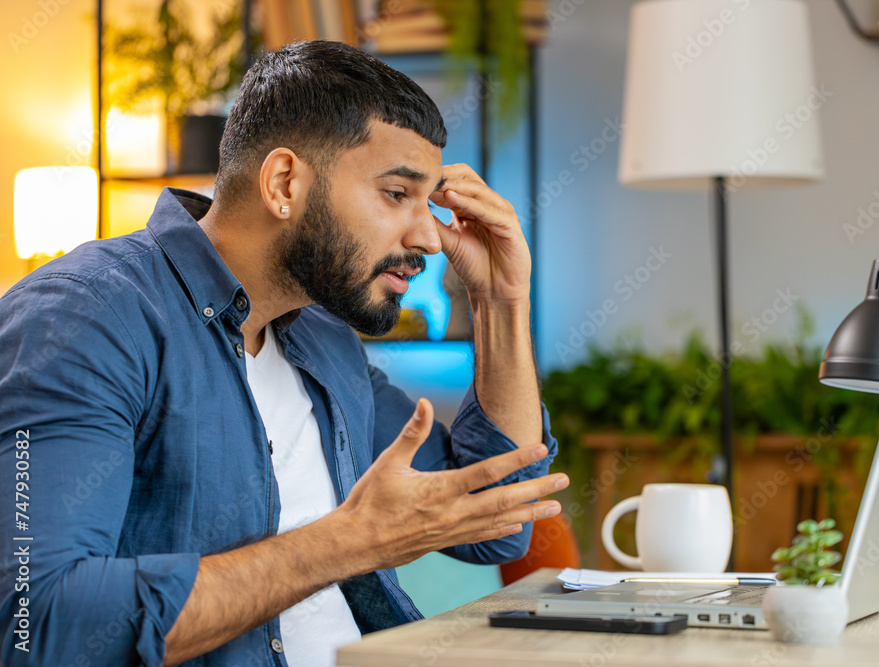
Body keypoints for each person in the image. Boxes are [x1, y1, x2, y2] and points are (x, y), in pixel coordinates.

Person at [0, 41, 565, 666]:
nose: (429, 237)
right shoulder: (84, 317)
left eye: (428, 203)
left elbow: (498, 520)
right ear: (284, 183)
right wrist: (347, 544)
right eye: (396, 194)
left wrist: (502, 301)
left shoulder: (322, 339)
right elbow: (35, 625)